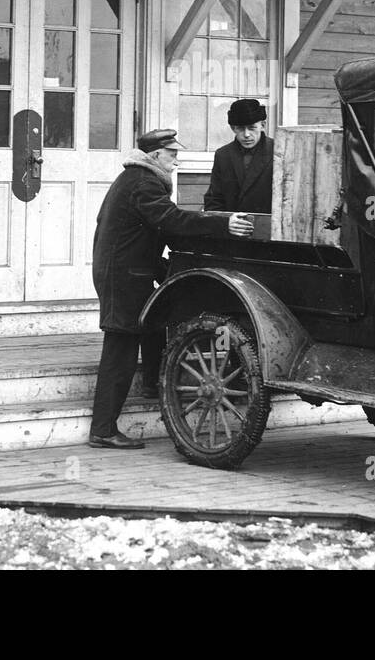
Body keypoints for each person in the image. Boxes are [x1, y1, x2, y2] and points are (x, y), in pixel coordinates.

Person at [89, 128, 253, 450]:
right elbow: (171, 220)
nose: (177, 161)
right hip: (122, 277)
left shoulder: (138, 180)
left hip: (127, 273)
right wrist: (223, 224)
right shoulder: (144, 183)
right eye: (172, 155)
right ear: (154, 156)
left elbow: (154, 230)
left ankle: (152, 386)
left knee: (152, 325)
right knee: (120, 348)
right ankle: (103, 429)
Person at [203, 98, 273, 214]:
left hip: (268, 226)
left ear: (262, 125)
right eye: (240, 128)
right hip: (233, 227)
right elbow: (214, 198)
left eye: (252, 128)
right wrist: (223, 224)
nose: (246, 134)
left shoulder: (277, 152)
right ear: (233, 128)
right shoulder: (223, 155)